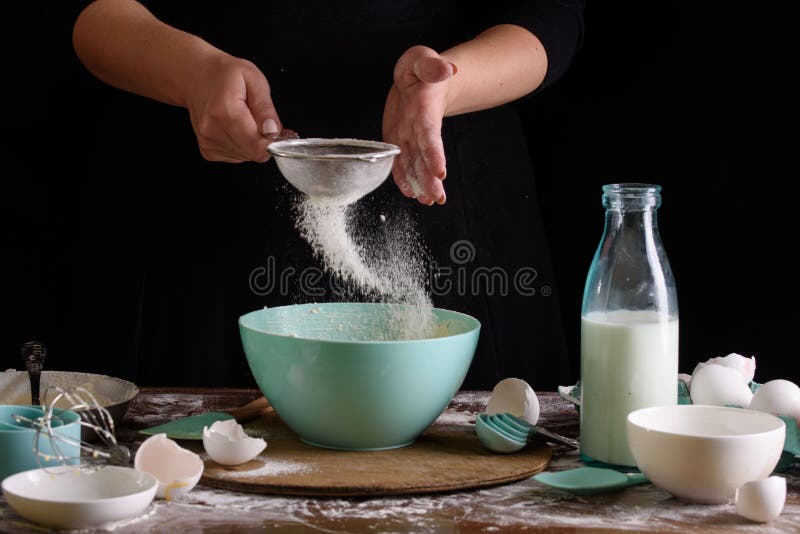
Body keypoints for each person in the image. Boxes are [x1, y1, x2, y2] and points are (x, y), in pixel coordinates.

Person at [69, 0, 584, 389]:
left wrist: (448, 83)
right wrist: (191, 72)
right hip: (194, 207)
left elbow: (549, 17)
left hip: (439, 175)